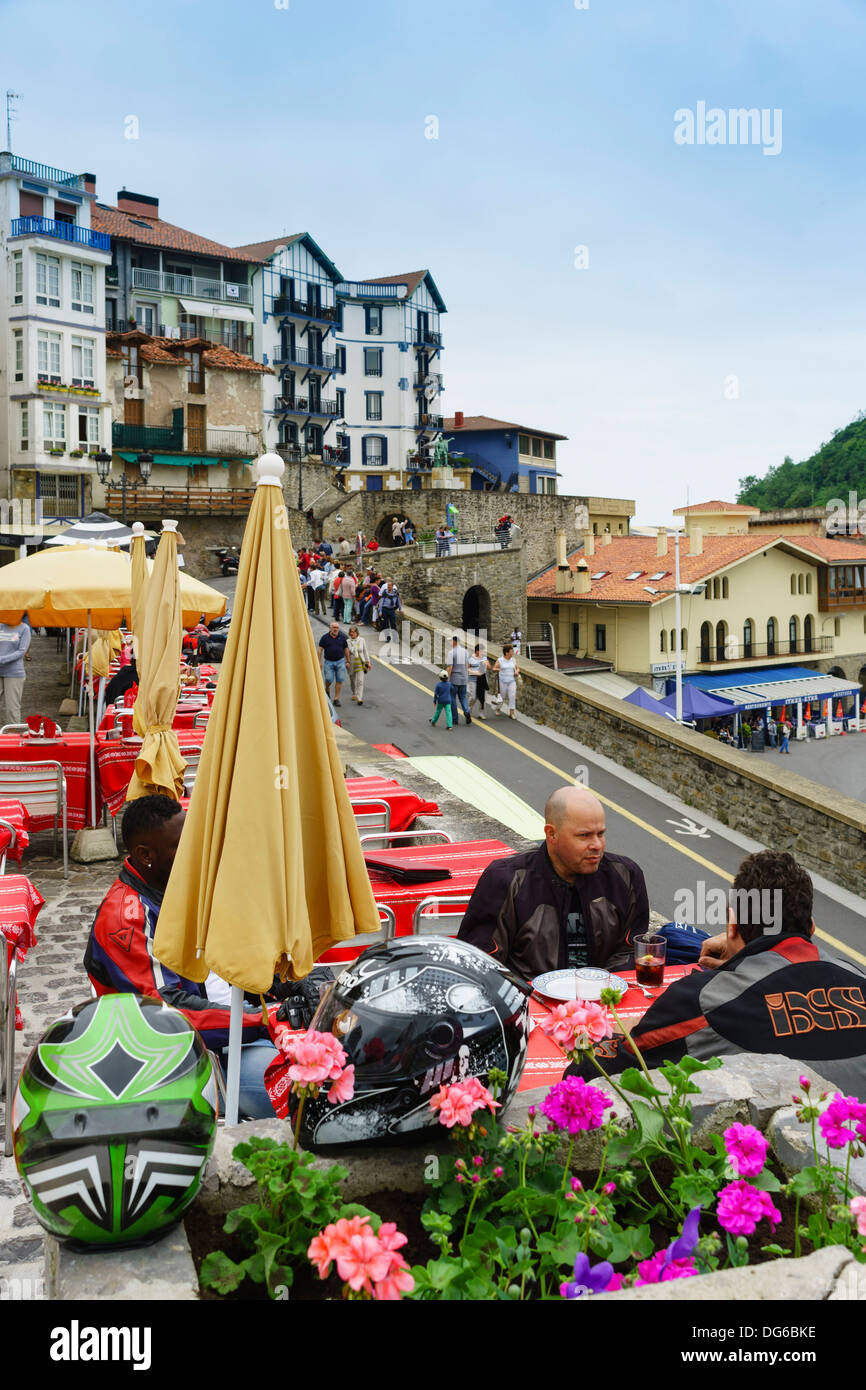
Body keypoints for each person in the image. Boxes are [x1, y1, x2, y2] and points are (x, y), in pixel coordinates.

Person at [578, 851, 866, 1096]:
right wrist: (739, 961)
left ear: (732, 927)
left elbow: (592, 1073)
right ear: (811, 927)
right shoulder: (857, 977)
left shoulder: (703, 1001)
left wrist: (613, 1033)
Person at [84, 796, 278, 1119]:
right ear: (146, 855)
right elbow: (168, 1012)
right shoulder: (125, 917)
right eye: (181, 845)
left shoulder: (174, 886)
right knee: (305, 1089)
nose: (194, 851)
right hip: (169, 1065)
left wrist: (286, 985)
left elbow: (237, 945)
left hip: (213, 1035)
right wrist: (263, 1020)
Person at [458, 786, 649, 979]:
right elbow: (479, 962)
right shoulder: (506, 880)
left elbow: (630, 951)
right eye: (584, 835)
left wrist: (597, 988)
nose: (597, 845)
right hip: (528, 1002)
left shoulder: (626, 876)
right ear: (551, 834)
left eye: (600, 834)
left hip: (604, 999)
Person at [0, 618, 31, 725]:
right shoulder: (1, 626)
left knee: (12, 708)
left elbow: (22, 651)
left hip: (14, 673)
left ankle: (13, 736)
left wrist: (2, 659)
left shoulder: (24, 628)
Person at [318, 620, 349, 706]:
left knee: (340, 680)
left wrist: (348, 661)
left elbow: (346, 649)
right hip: (329, 662)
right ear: (330, 628)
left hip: (340, 661)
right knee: (329, 679)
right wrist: (319, 661)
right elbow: (320, 649)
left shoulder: (342, 637)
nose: (335, 629)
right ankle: (327, 688)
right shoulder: (325, 638)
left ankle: (336, 699)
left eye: (337, 628)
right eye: (334, 627)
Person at [447, 635, 472, 726]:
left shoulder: (451, 652)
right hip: (464, 678)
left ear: (454, 642)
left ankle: (455, 718)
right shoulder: (465, 652)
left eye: (451, 641)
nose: (450, 643)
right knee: (463, 697)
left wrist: (447, 679)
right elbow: (468, 665)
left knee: (453, 698)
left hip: (454, 679)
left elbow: (450, 667)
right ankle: (466, 711)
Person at [347, 625, 371, 705]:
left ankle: (359, 698)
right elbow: (348, 652)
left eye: (354, 632)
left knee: (360, 681)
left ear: (357, 633)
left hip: (361, 663)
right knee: (352, 680)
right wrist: (347, 662)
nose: (352, 633)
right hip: (352, 663)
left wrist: (368, 662)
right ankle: (354, 692)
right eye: (351, 632)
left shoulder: (362, 640)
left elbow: (365, 651)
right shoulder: (348, 641)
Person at [494, 644, 519, 719]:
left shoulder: (513, 660)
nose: (512, 653)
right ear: (506, 653)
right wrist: (499, 669)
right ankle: (498, 709)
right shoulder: (500, 660)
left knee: (512, 696)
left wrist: (517, 671)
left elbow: (517, 668)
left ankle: (512, 713)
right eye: (511, 652)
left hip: (512, 681)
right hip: (503, 681)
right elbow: (494, 668)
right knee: (502, 696)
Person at [468, 644, 490, 720]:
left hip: (483, 679)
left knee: (483, 697)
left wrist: (486, 664)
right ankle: (469, 708)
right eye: (482, 651)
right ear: (477, 651)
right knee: (474, 696)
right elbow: (467, 669)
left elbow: (489, 667)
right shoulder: (470, 658)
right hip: (473, 679)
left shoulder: (484, 658)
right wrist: (475, 673)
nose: (483, 652)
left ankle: (481, 712)